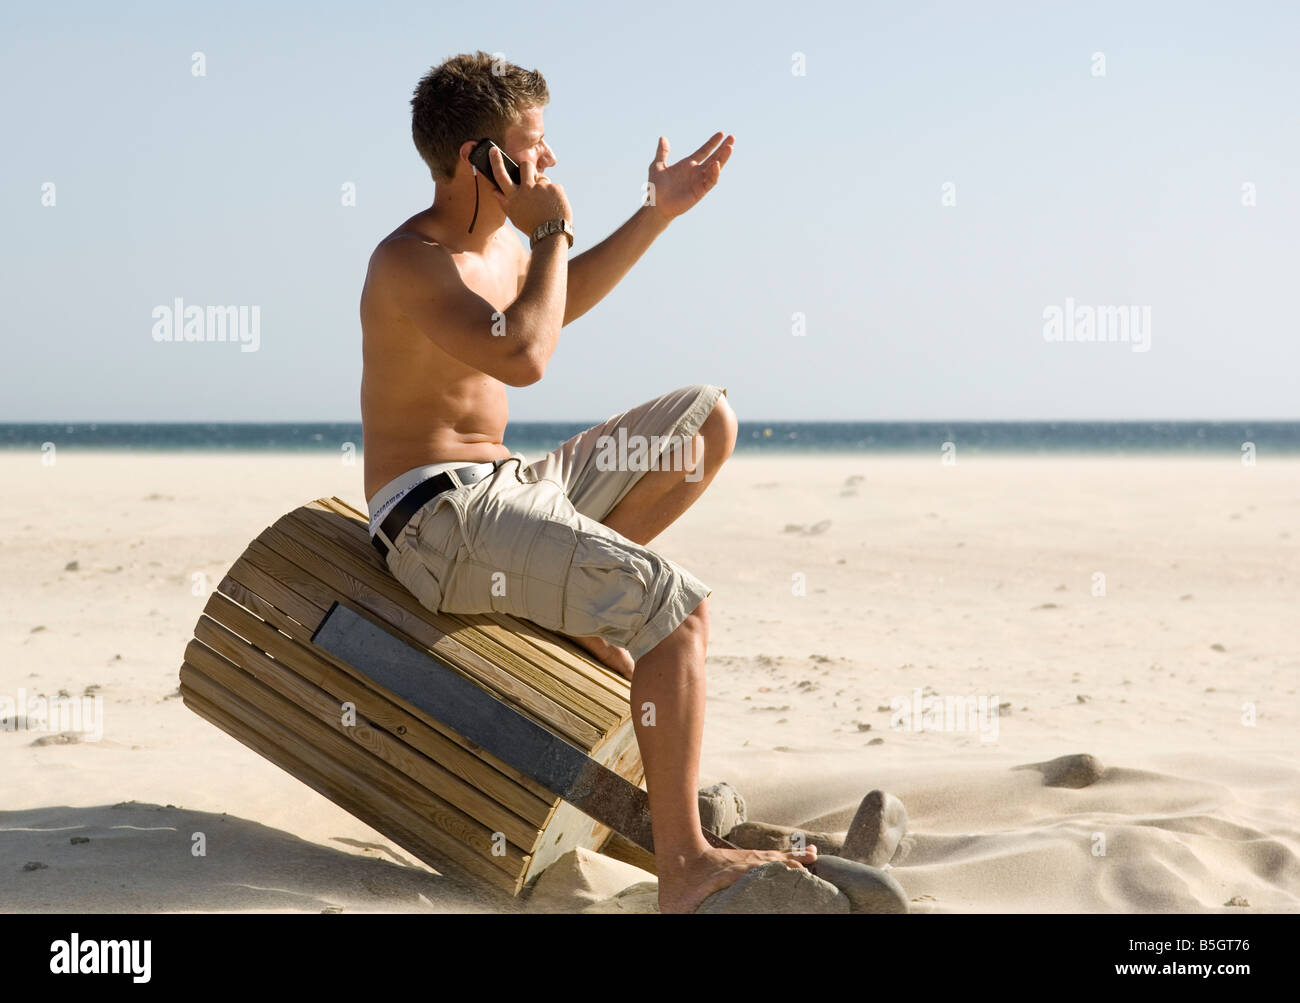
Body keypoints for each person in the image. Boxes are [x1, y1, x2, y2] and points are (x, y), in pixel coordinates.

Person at [359, 50, 815, 913]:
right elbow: (527, 356)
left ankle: (583, 593)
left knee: (703, 419)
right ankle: (685, 865)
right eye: (535, 146)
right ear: (478, 160)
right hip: (439, 518)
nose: (551, 163)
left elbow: (551, 307)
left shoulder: (495, 248)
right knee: (677, 614)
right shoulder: (409, 262)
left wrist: (656, 212)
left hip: (511, 484)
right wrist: (552, 228)